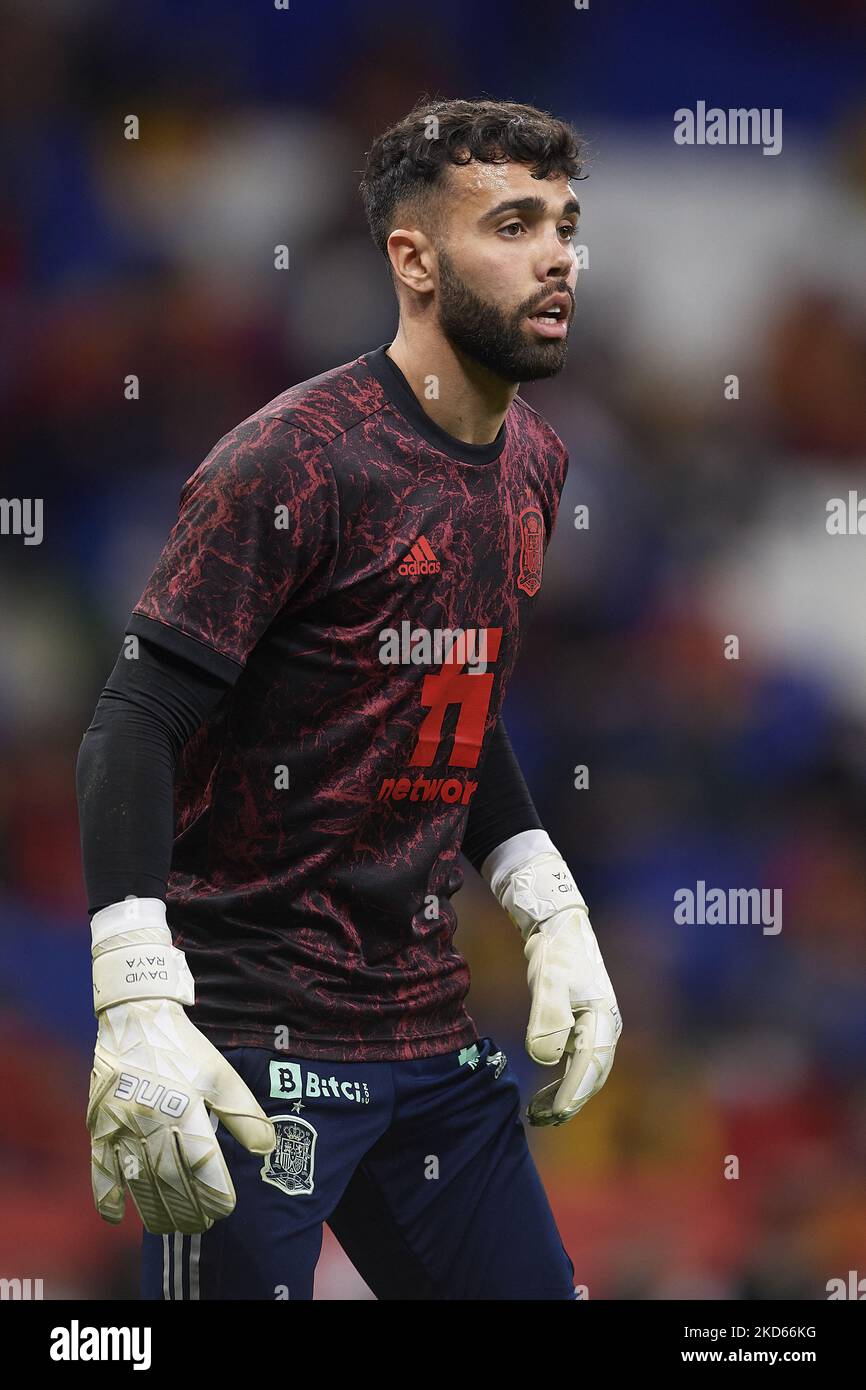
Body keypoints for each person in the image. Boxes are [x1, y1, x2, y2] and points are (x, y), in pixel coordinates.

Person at [76, 96, 621, 1301]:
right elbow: (131, 721)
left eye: (566, 225)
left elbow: (446, 696)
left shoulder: (536, 458)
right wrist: (135, 997)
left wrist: (546, 905)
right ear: (412, 259)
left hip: (429, 1034)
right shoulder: (290, 460)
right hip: (253, 1043)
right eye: (514, 223)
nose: (555, 256)